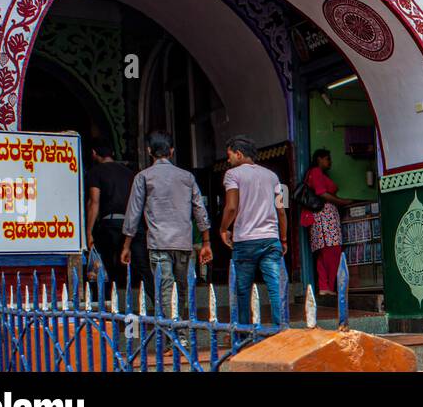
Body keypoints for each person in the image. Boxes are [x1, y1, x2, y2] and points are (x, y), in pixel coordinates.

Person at [121, 132, 213, 325]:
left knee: (165, 289)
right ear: (171, 151)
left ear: (149, 152)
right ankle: (178, 331)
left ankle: (172, 334)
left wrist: (126, 245)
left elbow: (133, 213)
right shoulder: (187, 177)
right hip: (183, 242)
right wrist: (206, 242)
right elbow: (200, 210)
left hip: (159, 242)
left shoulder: (143, 177)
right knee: (181, 289)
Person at [220, 135, 287, 325]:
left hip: (245, 240)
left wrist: (223, 229)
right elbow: (281, 211)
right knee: (276, 286)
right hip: (271, 239)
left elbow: (231, 207)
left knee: (242, 289)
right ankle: (281, 329)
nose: (228, 160)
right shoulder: (273, 176)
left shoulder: (232, 175)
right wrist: (283, 239)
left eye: (230, 155)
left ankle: (243, 333)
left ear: (239, 154)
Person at [85, 142, 151, 289]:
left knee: (106, 265)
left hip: (110, 224)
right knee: (142, 267)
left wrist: (88, 232)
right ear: (112, 154)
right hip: (133, 224)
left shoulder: (95, 172)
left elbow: (94, 202)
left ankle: (108, 303)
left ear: (94, 153)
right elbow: (141, 201)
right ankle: (159, 305)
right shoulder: (130, 173)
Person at [301, 149, 351, 298]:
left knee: (324, 254)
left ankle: (324, 286)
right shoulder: (316, 172)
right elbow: (321, 193)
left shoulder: (316, 173)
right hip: (324, 218)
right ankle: (329, 286)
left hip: (321, 218)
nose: (330, 162)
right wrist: (342, 202)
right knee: (332, 250)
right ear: (319, 159)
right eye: (327, 158)